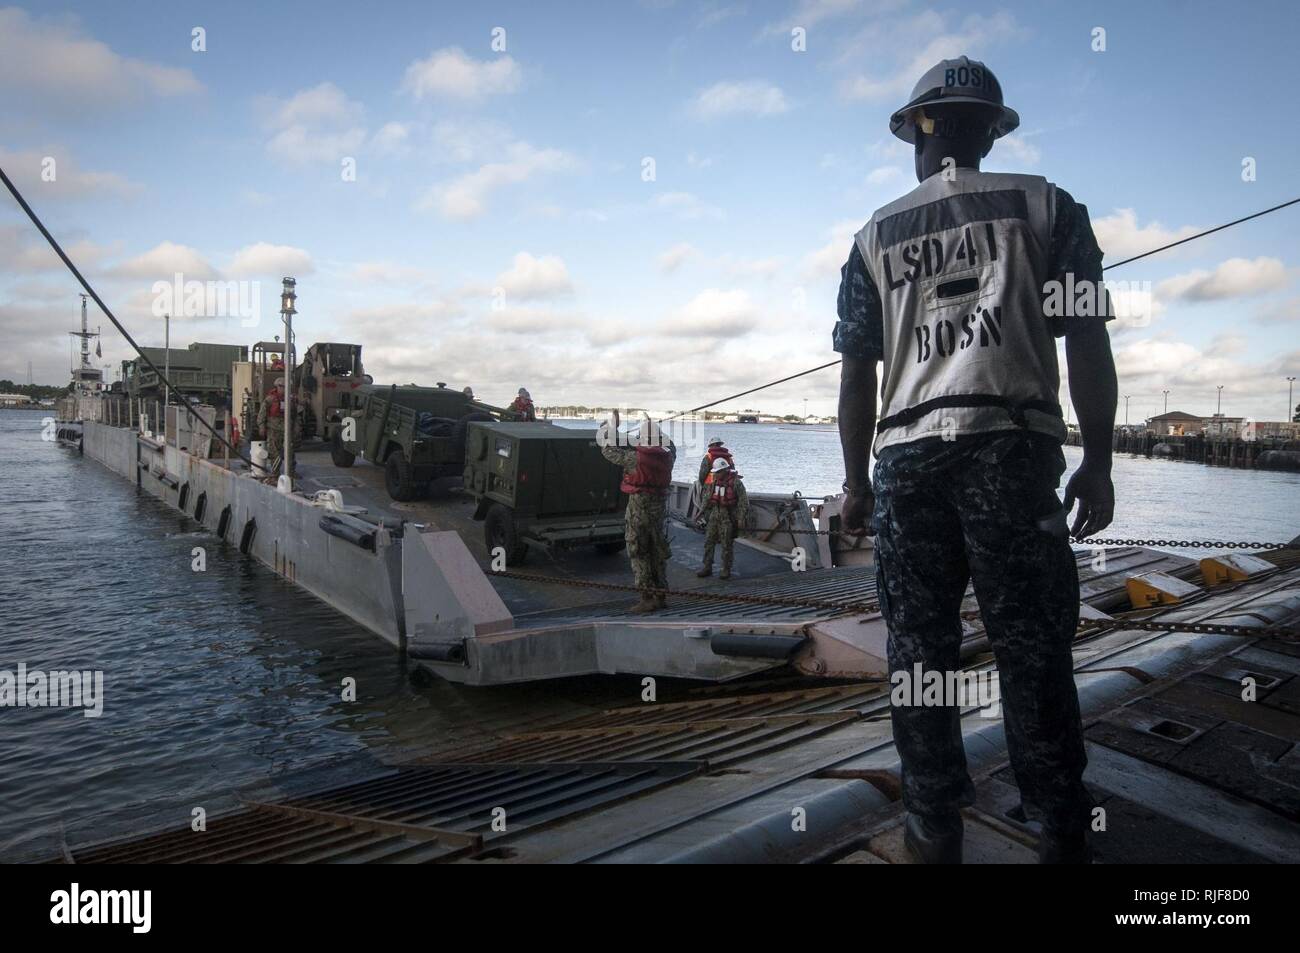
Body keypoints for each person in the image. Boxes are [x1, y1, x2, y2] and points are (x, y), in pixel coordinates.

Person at [834, 56, 1117, 865]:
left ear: (916, 133)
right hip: (1013, 454)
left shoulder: (873, 237)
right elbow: (1087, 339)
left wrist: (856, 485)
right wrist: (1096, 461)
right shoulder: (1047, 207)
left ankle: (930, 825)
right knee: (1031, 650)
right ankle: (1059, 824)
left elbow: (860, 375)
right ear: (991, 130)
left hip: (908, 468)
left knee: (919, 654)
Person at [600, 410, 675, 613]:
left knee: (638, 551)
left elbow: (608, 451)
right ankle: (661, 595)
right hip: (658, 510)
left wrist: (609, 430)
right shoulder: (669, 458)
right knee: (656, 551)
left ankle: (646, 598)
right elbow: (671, 445)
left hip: (639, 509)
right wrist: (652, 426)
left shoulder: (635, 459)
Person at [697, 457, 748, 579]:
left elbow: (743, 501)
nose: (717, 474)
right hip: (714, 514)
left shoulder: (736, 483)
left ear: (725, 470)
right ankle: (707, 566)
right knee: (709, 541)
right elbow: (707, 497)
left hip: (728, 516)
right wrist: (701, 511)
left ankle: (726, 568)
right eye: (716, 472)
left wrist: (740, 518)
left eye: (719, 471)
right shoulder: (714, 482)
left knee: (726, 544)